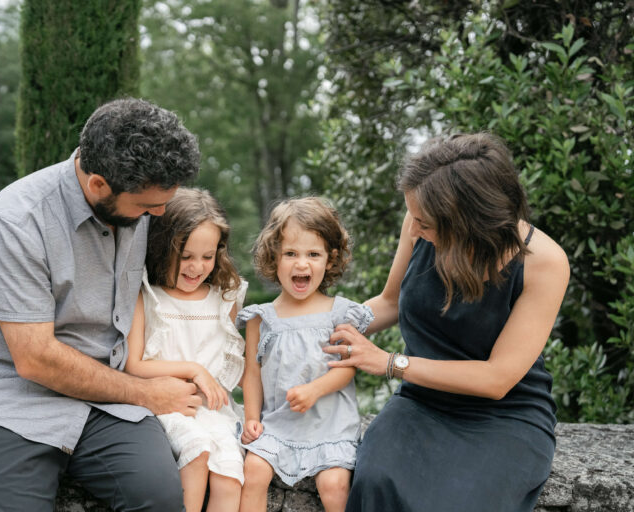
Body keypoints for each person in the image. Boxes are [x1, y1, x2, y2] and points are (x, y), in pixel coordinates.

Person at [0, 98, 204, 512]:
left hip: (108, 405)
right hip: (11, 403)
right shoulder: (14, 222)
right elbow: (36, 360)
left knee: (159, 499)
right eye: (146, 206)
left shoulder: (139, 201)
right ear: (98, 184)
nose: (160, 214)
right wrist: (147, 394)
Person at [324, 133, 570, 512]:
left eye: (424, 224)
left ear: (470, 221)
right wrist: (323, 325)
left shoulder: (545, 263)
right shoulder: (422, 215)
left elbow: (496, 378)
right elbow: (390, 302)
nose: (413, 230)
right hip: (422, 401)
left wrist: (390, 363)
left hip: (505, 416)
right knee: (375, 482)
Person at [237, 197, 374, 512]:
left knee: (335, 484)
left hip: (329, 424)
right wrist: (252, 418)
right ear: (274, 258)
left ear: (330, 259)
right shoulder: (262, 317)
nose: (302, 264)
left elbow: (347, 368)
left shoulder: (339, 313)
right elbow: (253, 373)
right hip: (278, 422)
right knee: (254, 471)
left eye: (313, 254)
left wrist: (315, 390)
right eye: (290, 254)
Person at [123, 187, 248, 512]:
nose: (197, 267)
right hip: (167, 408)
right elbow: (133, 365)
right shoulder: (147, 296)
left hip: (214, 411)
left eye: (207, 257)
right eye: (187, 256)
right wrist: (193, 369)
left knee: (230, 472)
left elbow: (232, 365)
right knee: (197, 449)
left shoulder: (225, 298)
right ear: (162, 247)